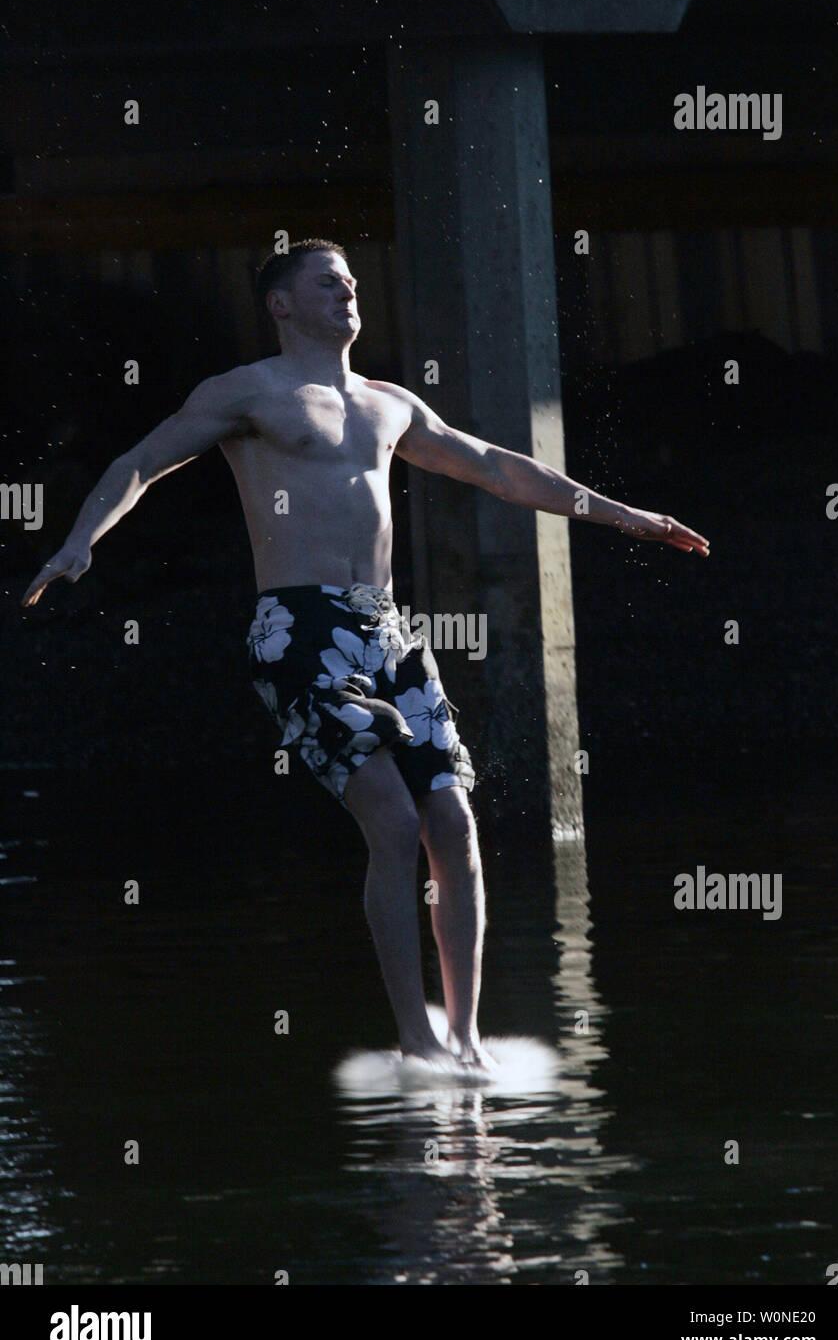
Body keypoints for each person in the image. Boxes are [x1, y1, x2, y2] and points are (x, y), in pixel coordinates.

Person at [22, 238, 709, 1079]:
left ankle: (464, 1035)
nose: (350, 291)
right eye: (328, 282)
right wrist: (79, 543)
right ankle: (414, 1040)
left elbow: (496, 467)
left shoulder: (391, 404)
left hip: (387, 630)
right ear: (282, 304)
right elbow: (139, 463)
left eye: (352, 281)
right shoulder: (247, 393)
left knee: (454, 826)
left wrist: (627, 515)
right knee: (392, 822)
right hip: (299, 627)